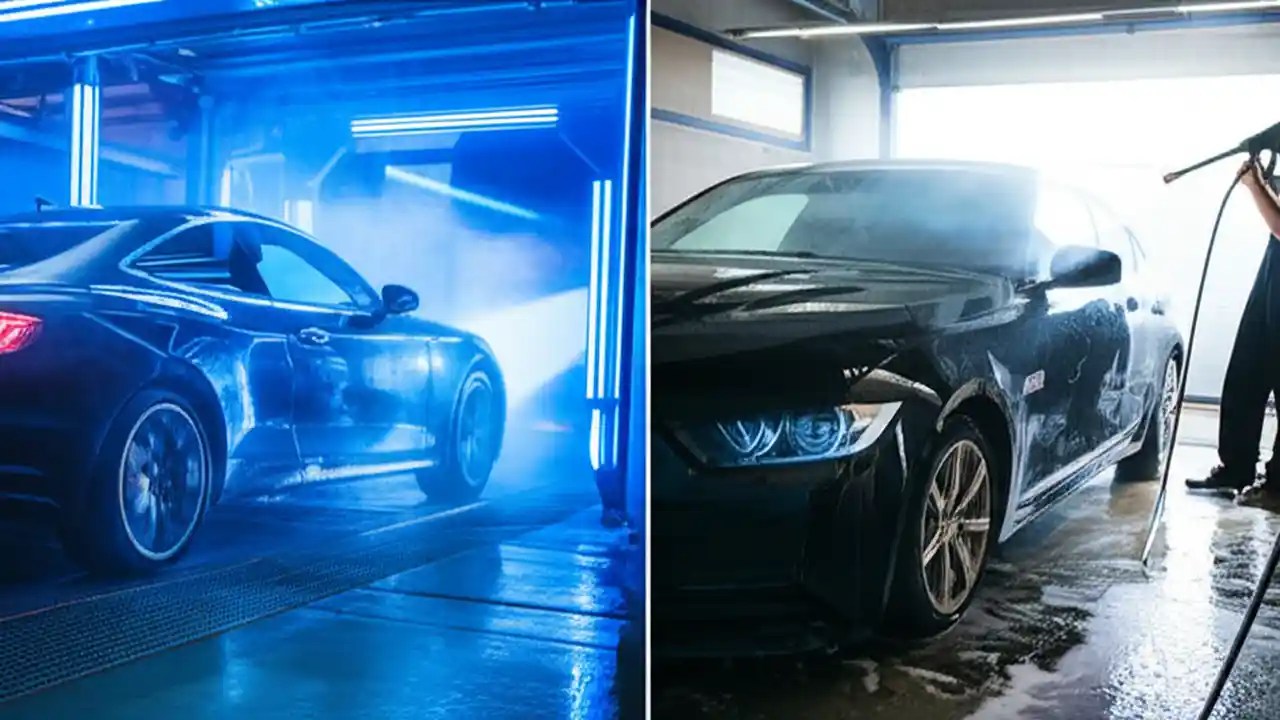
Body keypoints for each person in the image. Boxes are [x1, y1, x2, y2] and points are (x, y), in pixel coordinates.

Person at [1187, 157, 1280, 505]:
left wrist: (1255, 186)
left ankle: (1277, 487)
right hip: (1274, 267)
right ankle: (1236, 467)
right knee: (1247, 368)